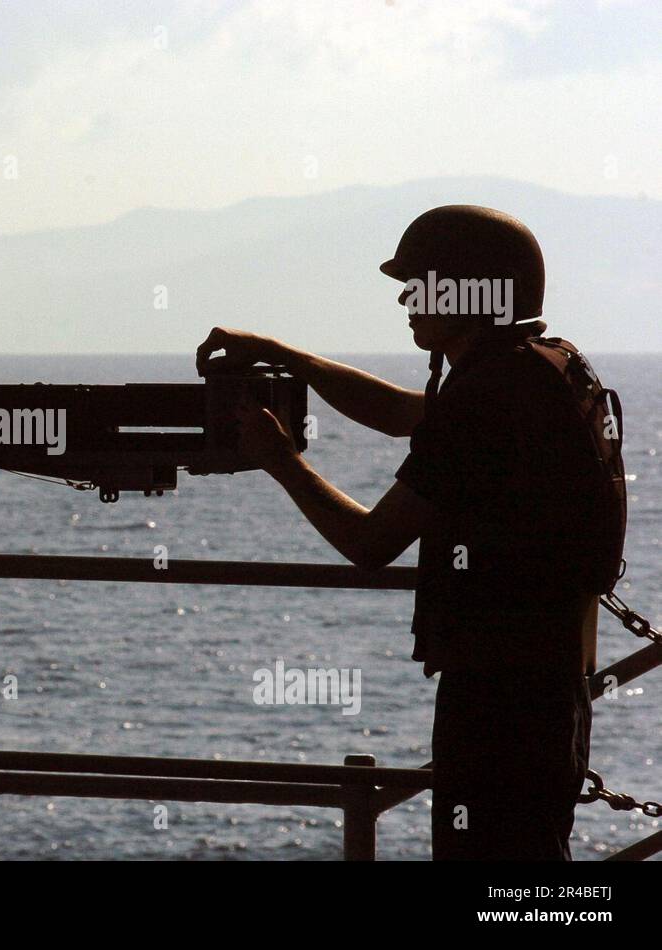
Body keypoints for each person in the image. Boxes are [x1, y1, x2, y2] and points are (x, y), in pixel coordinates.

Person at [197, 206, 600, 860]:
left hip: (498, 700)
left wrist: (281, 461)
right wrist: (284, 357)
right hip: (550, 687)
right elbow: (400, 414)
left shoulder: (486, 400)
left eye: (422, 284)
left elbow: (369, 543)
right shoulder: (536, 371)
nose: (408, 299)